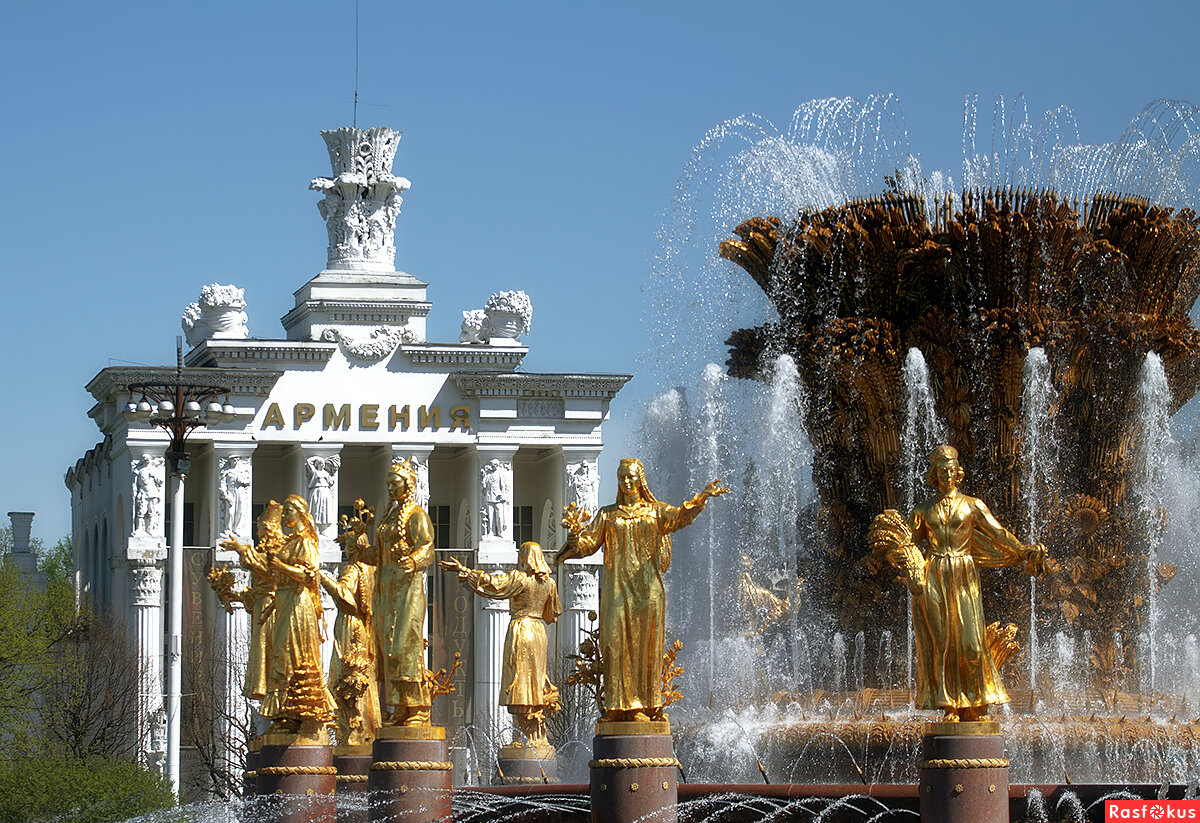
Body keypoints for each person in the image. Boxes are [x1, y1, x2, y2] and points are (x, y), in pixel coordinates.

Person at [871, 445, 1051, 721]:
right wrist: (902, 562)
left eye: (951, 470)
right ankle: (949, 705)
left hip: (964, 573)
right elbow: (909, 544)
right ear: (934, 474)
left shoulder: (972, 505)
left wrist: (1023, 549)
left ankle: (977, 702)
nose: (946, 475)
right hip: (933, 573)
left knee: (971, 644)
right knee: (940, 643)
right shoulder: (922, 510)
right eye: (941, 471)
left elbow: (998, 533)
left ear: (958, 474)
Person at [555, 457, 727, 722]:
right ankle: (616, 706)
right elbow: (588, 545)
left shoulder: (655, 511)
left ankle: (645, 706)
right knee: (615, 642)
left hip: (648, 592)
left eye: (630, 477)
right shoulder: (607, 514)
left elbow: (680, 517)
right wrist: (574, 541)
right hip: (616, 590)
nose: (625, 482)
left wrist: (701, 498)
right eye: (621, 477)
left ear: (640, 480)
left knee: (645, 647)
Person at [441, 542, 562, 749]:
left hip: (521, 630)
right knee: (536, 679)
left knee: (520, 679)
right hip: (539, 632)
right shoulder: (549, 583)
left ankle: (524, 738)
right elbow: (553, 613)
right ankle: (537, 737)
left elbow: (494, 584)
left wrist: (465, 571)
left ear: (526, 558)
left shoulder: (520, 579)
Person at [258, 495, 336, 732]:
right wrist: (271, 606)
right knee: (280, 653)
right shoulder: (290, 541)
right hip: (284, 602)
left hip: (297, 604)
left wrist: (280, 566)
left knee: (290, 653)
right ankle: (284, 713)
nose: (284, 516)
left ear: (301, 514)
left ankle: (295, 712)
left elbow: (309, 575)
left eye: (289, 511)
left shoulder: (306, 541)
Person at [368, 460, 435, 726]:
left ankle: (418, 707)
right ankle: (399, 707)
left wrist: (415, 560)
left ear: (408, 485)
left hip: (408, 590)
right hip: (386, 589)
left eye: (395, 483)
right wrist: (360, 551)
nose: (390, 488)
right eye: (388, 484)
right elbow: (379, 555)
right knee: (387, 649)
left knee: (405, 647)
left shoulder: (416, 514)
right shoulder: (390, 516)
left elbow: (427, 546)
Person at [321, 500, 380, 745]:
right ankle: (364, 726)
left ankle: (350, 730)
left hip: (348, 624)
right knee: (364, 676)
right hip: (364, 629)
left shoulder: (353, 571)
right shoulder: (372, 572)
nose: (345, 551)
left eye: (346, 546)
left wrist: (322, 578)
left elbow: (345, 595)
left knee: (344, 675)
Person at [219, 500, 283, 702]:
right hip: (263, 607)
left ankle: (275, 694)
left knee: (270, 654)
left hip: (274, 608)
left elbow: (268, 568)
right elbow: (255, 593)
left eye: (260, 528)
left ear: (268, 528)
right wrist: (233, 595)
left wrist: (242, 549)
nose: (258, 532)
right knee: (261, 657)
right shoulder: (264, 552)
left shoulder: (278, 551)